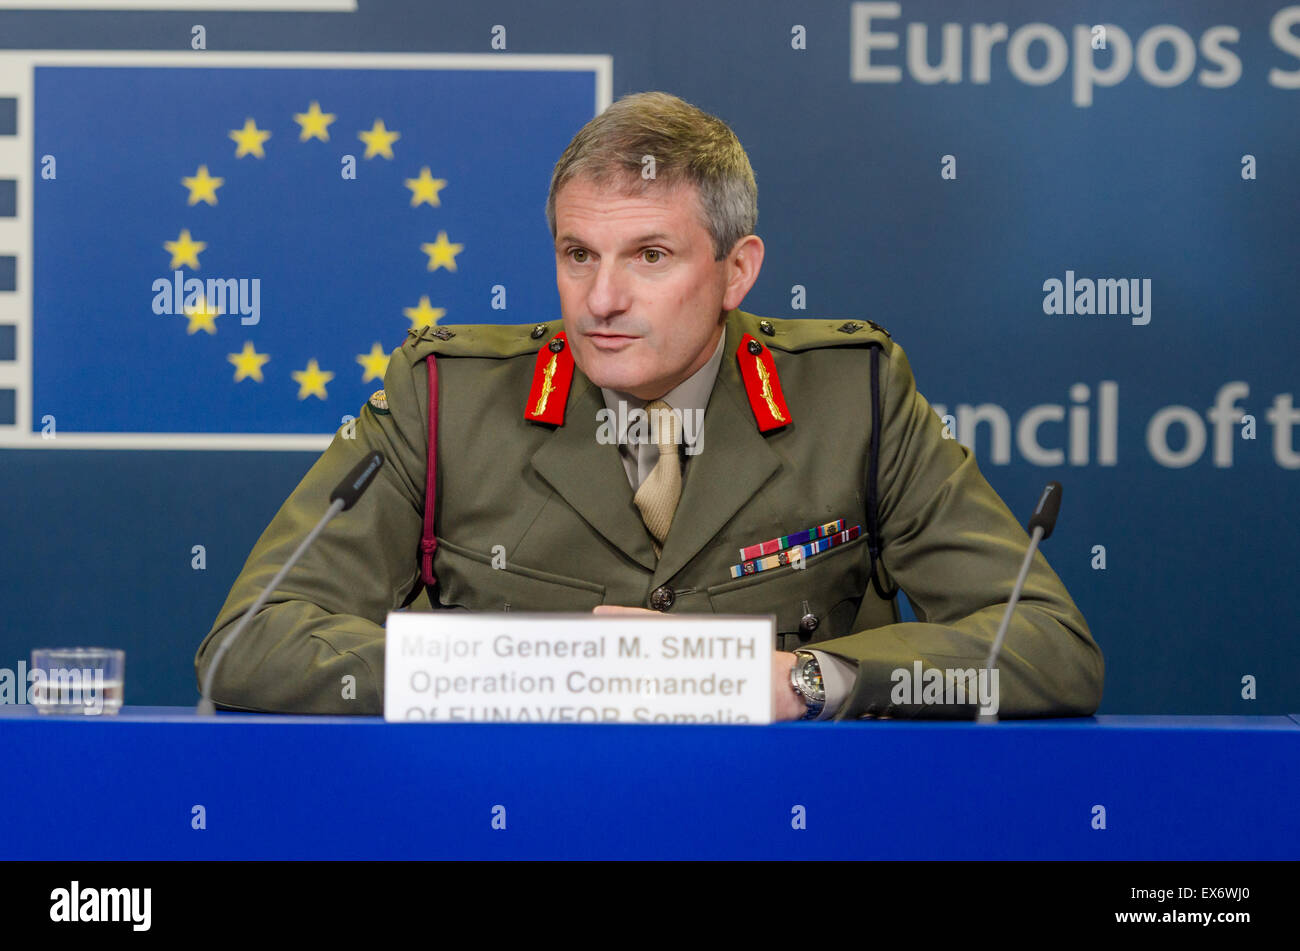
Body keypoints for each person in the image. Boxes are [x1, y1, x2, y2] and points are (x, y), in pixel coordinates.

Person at [195, 91, 1104, 720]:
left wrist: (808, 677)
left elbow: (1050, 649)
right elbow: (246, 645)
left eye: (651, 257)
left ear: (737, 269)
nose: (601, 300)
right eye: (578, 254)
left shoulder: (856, 394)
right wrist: (531, 672)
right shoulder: (440, 395)